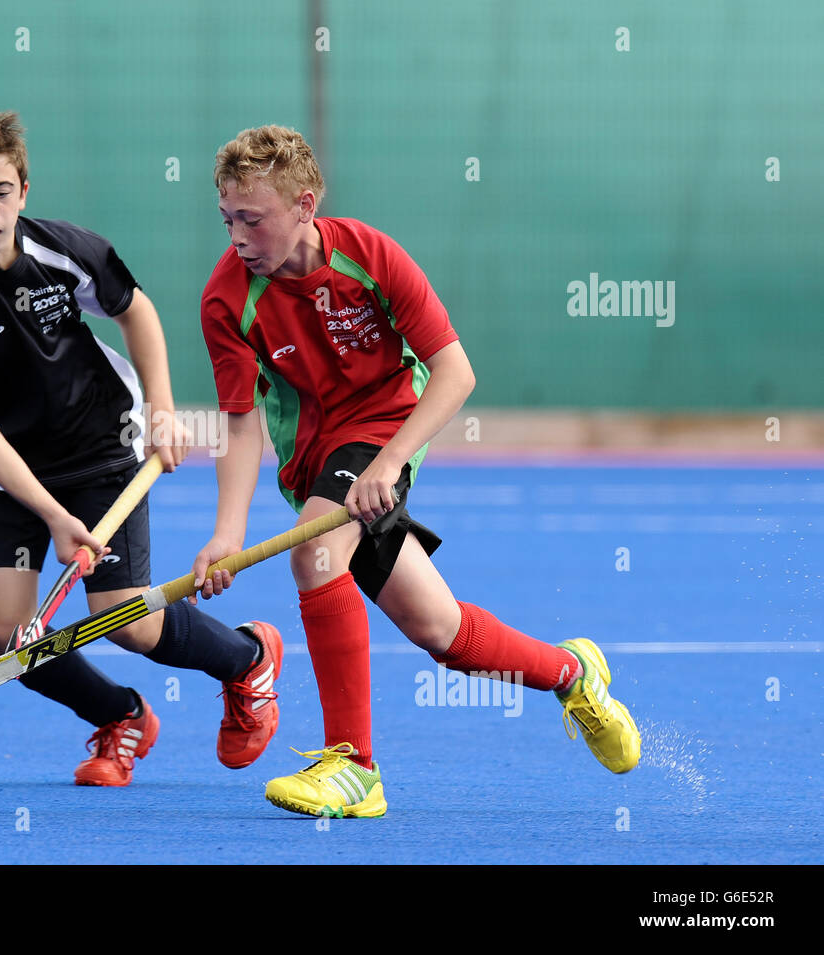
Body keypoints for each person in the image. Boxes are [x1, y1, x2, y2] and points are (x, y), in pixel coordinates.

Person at [192, 124, 641, 818]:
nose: (238, 237)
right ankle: (574, 673)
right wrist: (227, 532)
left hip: (382, 429)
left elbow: (455, 372)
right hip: (313, 460)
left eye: (252, 218)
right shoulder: (228, 299)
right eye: (227, 219)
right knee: (440, 631)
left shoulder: (371, 256)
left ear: (305, 205)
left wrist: (390, 460)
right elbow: (242, 419)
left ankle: (354, 768)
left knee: (316, 554)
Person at [0, 104, 281, 786]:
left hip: (104, 446)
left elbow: (135, 309)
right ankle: (121, 714)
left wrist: (162, 411)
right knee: (6, 636)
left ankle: (247, 657)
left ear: (24, 191)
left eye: (1, 191)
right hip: (5, 470)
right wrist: (52, 515)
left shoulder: (62, 248)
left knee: (124, 622)